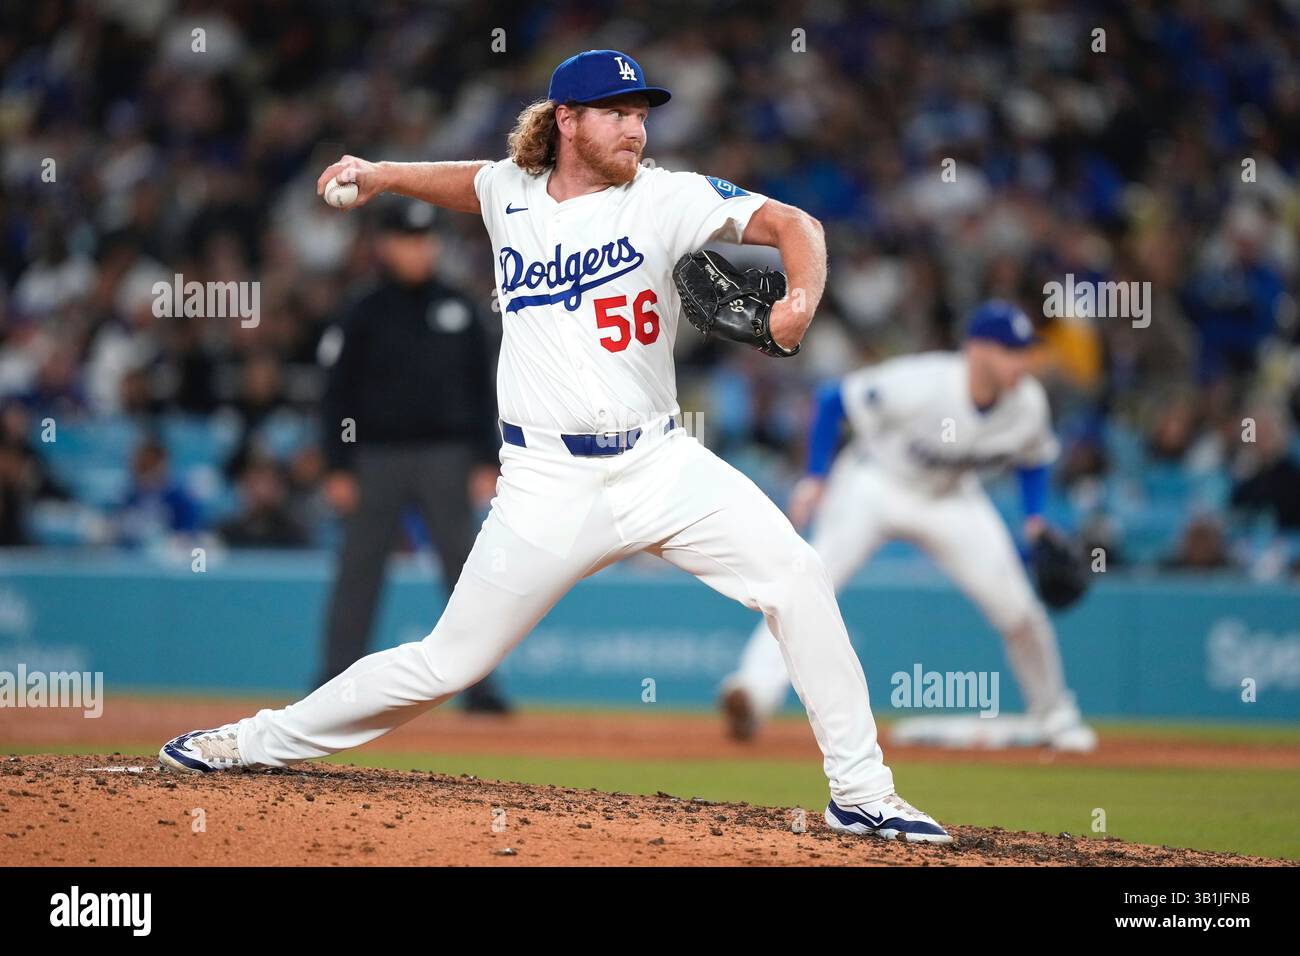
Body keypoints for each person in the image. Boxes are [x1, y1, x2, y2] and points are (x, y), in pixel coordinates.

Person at [159, 49, 951, 843]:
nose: (635, 129)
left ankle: (861, 791)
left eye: (642, 114)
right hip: (545, 480)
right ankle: (251, 741)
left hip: (659, 462)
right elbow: (473, 181)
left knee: (797, 574)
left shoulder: (665, 197)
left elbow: (793, 225)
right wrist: (385, 173)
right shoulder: (512, 190)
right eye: (617, 112)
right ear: (567, 120)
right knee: (447, 663)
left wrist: (799, 301)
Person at [720, 302, 1097, 752]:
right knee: (808, 581)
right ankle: (753, 692)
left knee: (1019, 610)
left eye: (1024, 351)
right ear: (977, 350)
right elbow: (831, 400)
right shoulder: (923, 382)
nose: (1021, 361)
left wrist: (1035, 522)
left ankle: (1055, 716)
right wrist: (816, 478)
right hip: (875, 484)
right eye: (1009, 350)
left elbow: (1034, 459)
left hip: (952, 498)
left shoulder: (1028, 403)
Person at [314, 198, 510, 712]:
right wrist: (337, 465)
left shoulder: (461, 309)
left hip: (447, 457)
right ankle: (331, 685)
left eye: (427, 241)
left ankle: (480, 687)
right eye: (408, 241)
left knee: (466, 575)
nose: (420, 251)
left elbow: (484, 390)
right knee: (358, 572)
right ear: (386, 246)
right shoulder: (363, 310)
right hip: (375, 457)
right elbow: (336, 394)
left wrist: (486, 459)